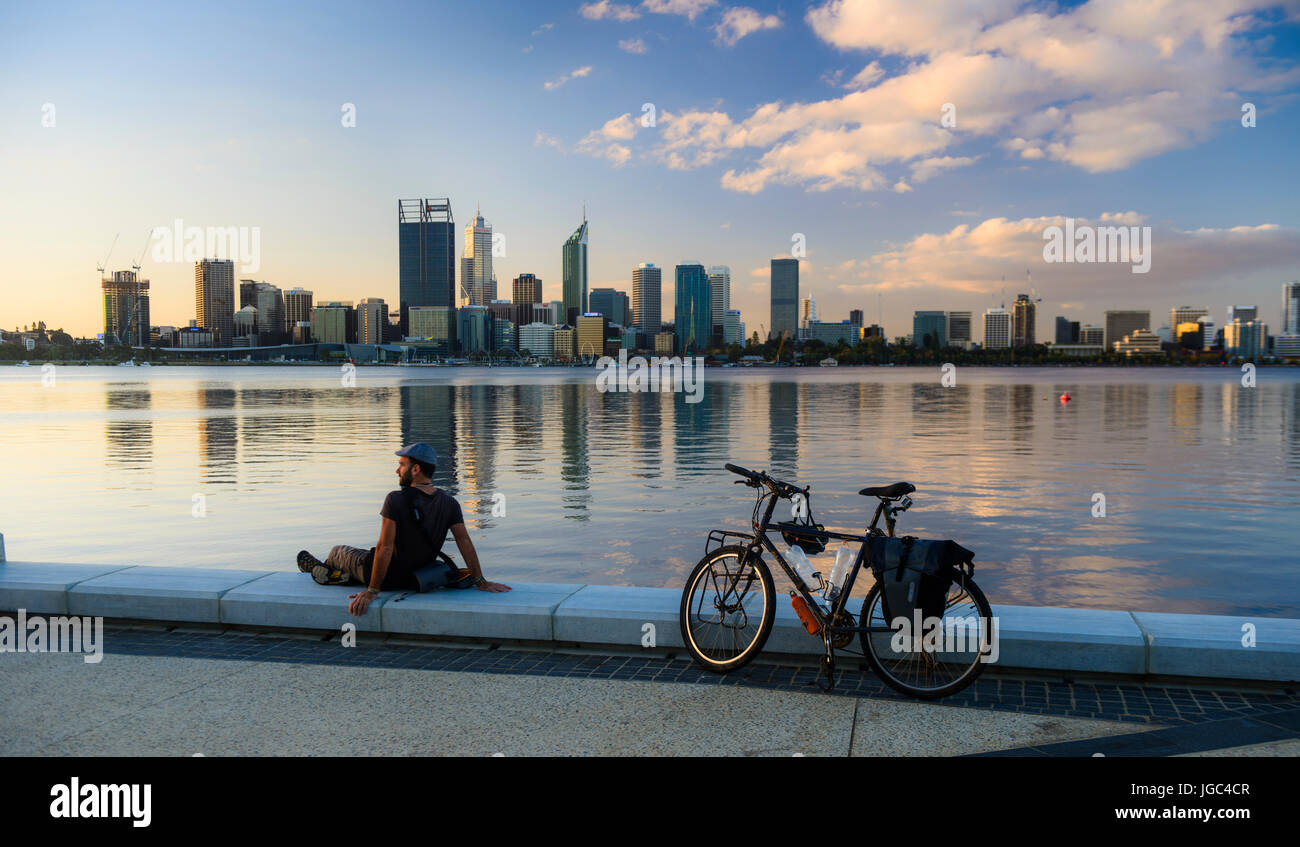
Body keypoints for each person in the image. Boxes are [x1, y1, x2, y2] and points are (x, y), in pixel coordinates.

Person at [297, 443, 511, 615]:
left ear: (415, 469)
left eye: (401, 464)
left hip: (383, 577)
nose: (397, 470)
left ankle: (330, 572)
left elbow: (384, 548)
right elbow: (465, 543)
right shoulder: (449, 502)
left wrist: (372, 591)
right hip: (417, 578)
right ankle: (341, 576)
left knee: (337, 551)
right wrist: (480, 580)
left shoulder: (395, 499)